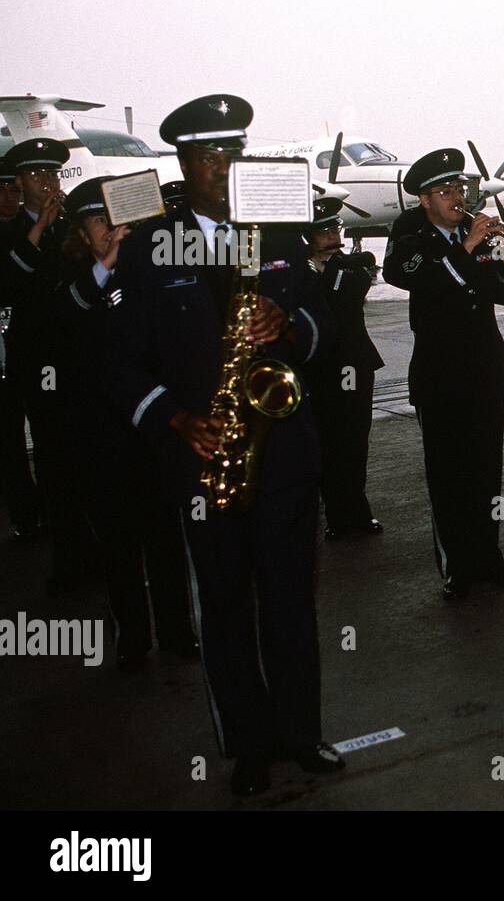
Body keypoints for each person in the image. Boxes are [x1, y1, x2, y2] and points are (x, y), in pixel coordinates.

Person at [103, 94, 342, 796]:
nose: (225, 165)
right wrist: (174, 420)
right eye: (212, 154)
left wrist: (289, 321)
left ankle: (303, 732)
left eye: (234, 151)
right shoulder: (149, 247)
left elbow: (323, 330)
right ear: (184, 161)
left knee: (292, 603)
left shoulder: (277, 236)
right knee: (227, 606)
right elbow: (115, 361)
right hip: (207, 459)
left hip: (287, 456)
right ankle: (248, 743)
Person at [52, 177, 197, 668]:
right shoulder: (70, 277)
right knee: (119, 545)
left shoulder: (144, 274)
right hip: (99, 434)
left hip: (151, 426)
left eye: (118, 221)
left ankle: (178, 632)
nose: (112, 231)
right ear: (80, 232)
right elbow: (65, 312)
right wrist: (107, 264)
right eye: (100, 222)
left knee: (165, 537)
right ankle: (132, 639)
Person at [381, 148, 504, 601]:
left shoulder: (479, 235)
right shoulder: (412, 242)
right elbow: (417, 279)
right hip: (439, 375)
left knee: (486, 473)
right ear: (424, 200)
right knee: (449, 477)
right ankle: (457, 567)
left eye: (459, 189)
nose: (456, 197)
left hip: (483, 368)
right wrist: (467, 248)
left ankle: (490, 558)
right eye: (445, 191)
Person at [1, 138, 93, 589]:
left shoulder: (71, 229)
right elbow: (8, 285)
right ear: (19, 183)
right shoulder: (10, 229)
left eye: (53, 174)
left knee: (87, 460)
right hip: (39, 365)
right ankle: (69, 564)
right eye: (37, 176)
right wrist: (37, 233)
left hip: (78, 359)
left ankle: (95, 557)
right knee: (54, 463)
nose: (48, 183)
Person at [301, 196, 385, 539]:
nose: (334, 237)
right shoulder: (302, 271)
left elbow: (342, 298)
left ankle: (356, 512)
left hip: (353, 364)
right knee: (325, 442)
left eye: (335, 228)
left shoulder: (355, 263)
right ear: (308, 237)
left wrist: (328, 271)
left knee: (354, 440)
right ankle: (336, 515)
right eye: (324, 231)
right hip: (319, 369)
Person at [0, 153, 40, 539]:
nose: (9, 197)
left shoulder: (29, 229)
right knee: (10, 442)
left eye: (13, 189)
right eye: (1, 190)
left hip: (29, 351)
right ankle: (26, 517)